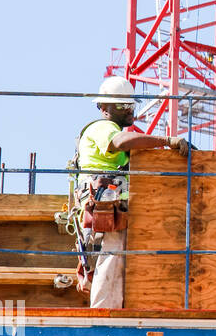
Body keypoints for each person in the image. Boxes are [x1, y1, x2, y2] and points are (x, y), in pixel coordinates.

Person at [75, 77, 189, 308]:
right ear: (103, 108)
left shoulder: (118, 133)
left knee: (118, 259)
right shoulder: (103, 127)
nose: (128, 109)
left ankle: (114, 311)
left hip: (116, 207)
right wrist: (166, 140)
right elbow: (120, 141)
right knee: (112, 258)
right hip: (106, 208)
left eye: (130, 104)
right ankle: (105, 316)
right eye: (122, 105)